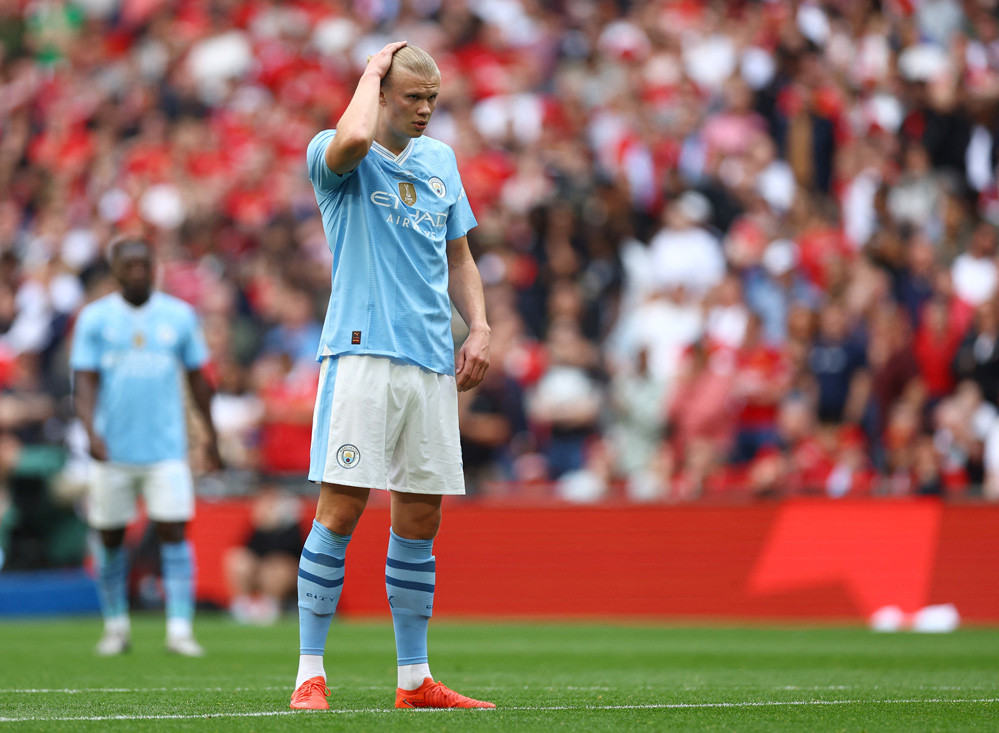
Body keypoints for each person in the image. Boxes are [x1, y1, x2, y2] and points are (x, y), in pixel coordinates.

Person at [290, 42, 494, 711]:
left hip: (431, 359)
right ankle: (309, 674)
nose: (427, 109)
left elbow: (459, 255)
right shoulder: (335, 151)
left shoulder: (440, 162)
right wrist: (372, 74)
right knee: (342, 507)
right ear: (380, 93)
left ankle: (413, 679)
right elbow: (352, 135)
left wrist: (481, 327)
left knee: (419, 517)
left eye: (433, 97)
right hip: (361, 353)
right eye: (413, 96)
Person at [70, 237, 220, 657]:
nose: (137, 272)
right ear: (115, 269)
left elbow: (198, 379)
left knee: (174, 531)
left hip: (167, 448)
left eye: (143, 264)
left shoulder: (179, 315)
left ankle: (179, 629)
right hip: (111, 449)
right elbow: (83, 380)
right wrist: (90, 432)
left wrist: (210, 435)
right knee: (111, 537)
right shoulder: (95, 319)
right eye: (129, 265)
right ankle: (116, 626)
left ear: (153, 267)